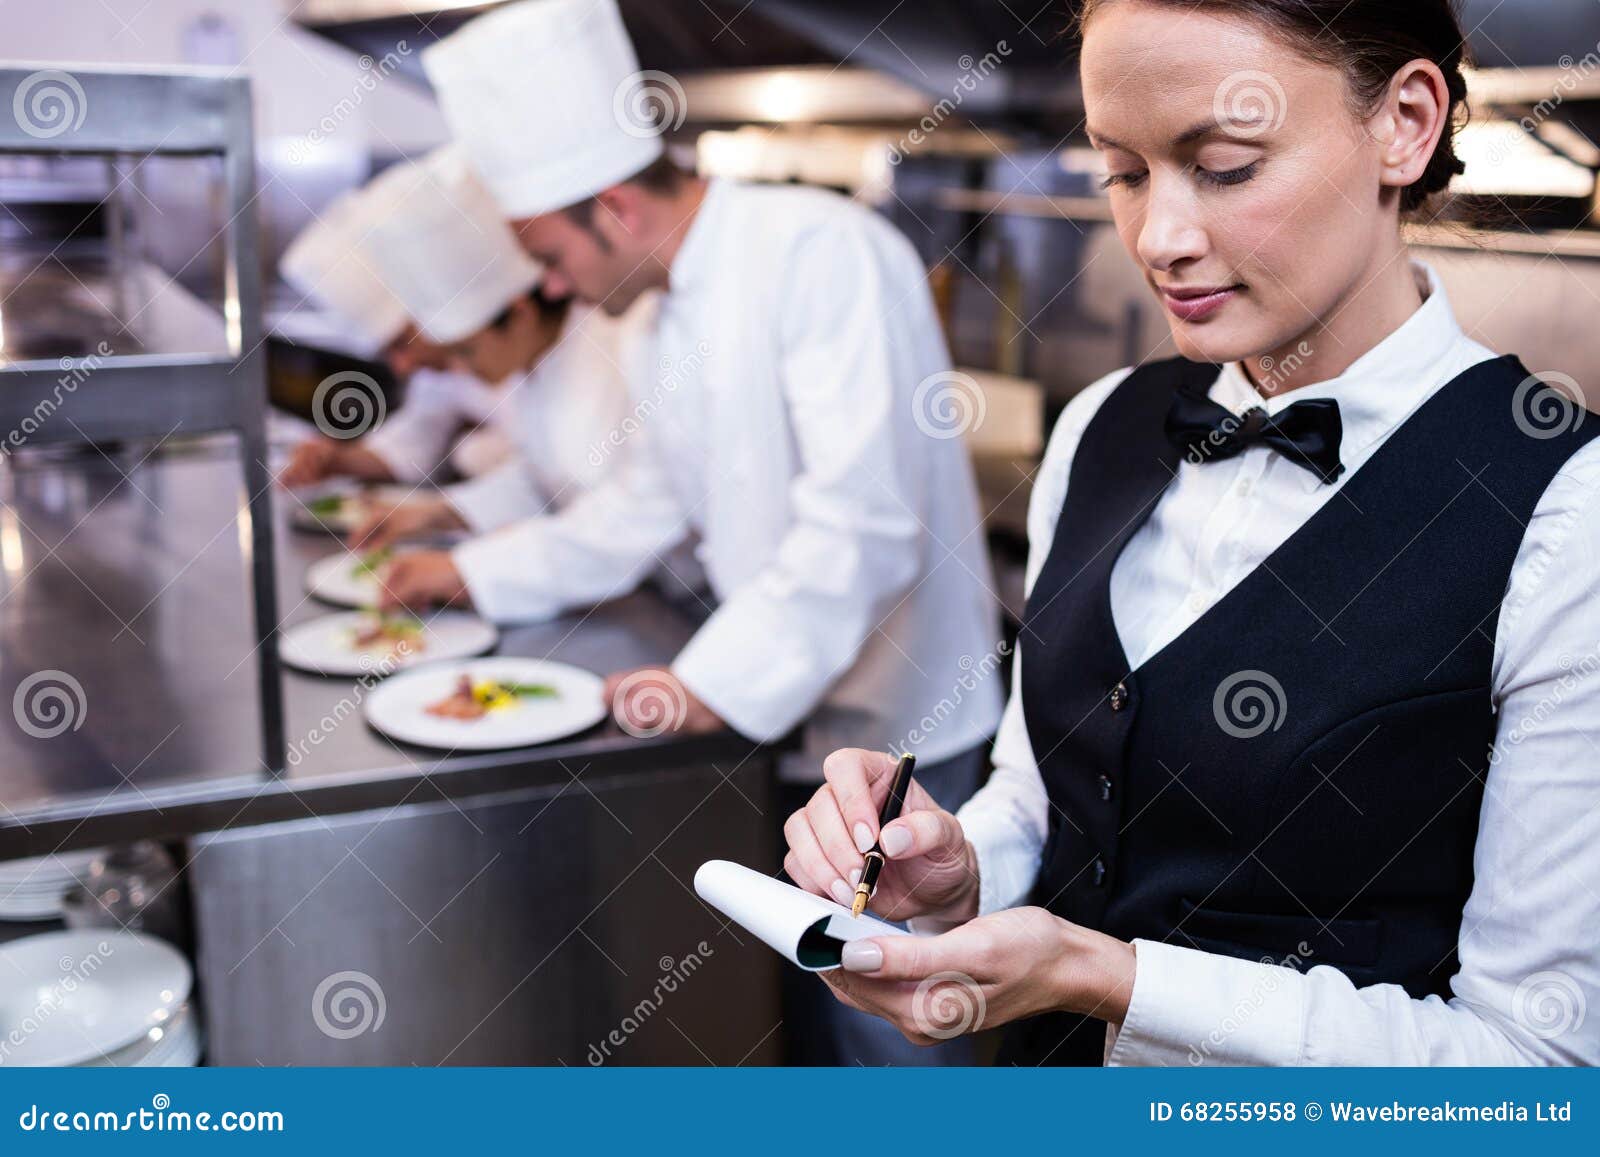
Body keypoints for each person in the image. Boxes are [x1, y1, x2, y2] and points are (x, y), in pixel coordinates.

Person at [782, 0, 1600, 1066]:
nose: (1157, 239)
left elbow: (1534, 1067)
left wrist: (1110, 977)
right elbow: (1041, 795)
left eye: (1222, 166)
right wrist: (957, 868)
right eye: (1121, 172)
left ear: (1403, 122)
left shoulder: (1561, 508)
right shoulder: (1103, 424)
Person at [392, 0, 1006, 1064]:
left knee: (908, 1035)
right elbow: (635, 505)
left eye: (545, 250)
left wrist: (703, 682)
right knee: (815, 1016)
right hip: (788, 722)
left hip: (905, 735)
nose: (547, 285)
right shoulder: (654, 314)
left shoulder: (825, 253)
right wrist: (469, 570)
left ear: (615, 209)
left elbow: (863, 528)